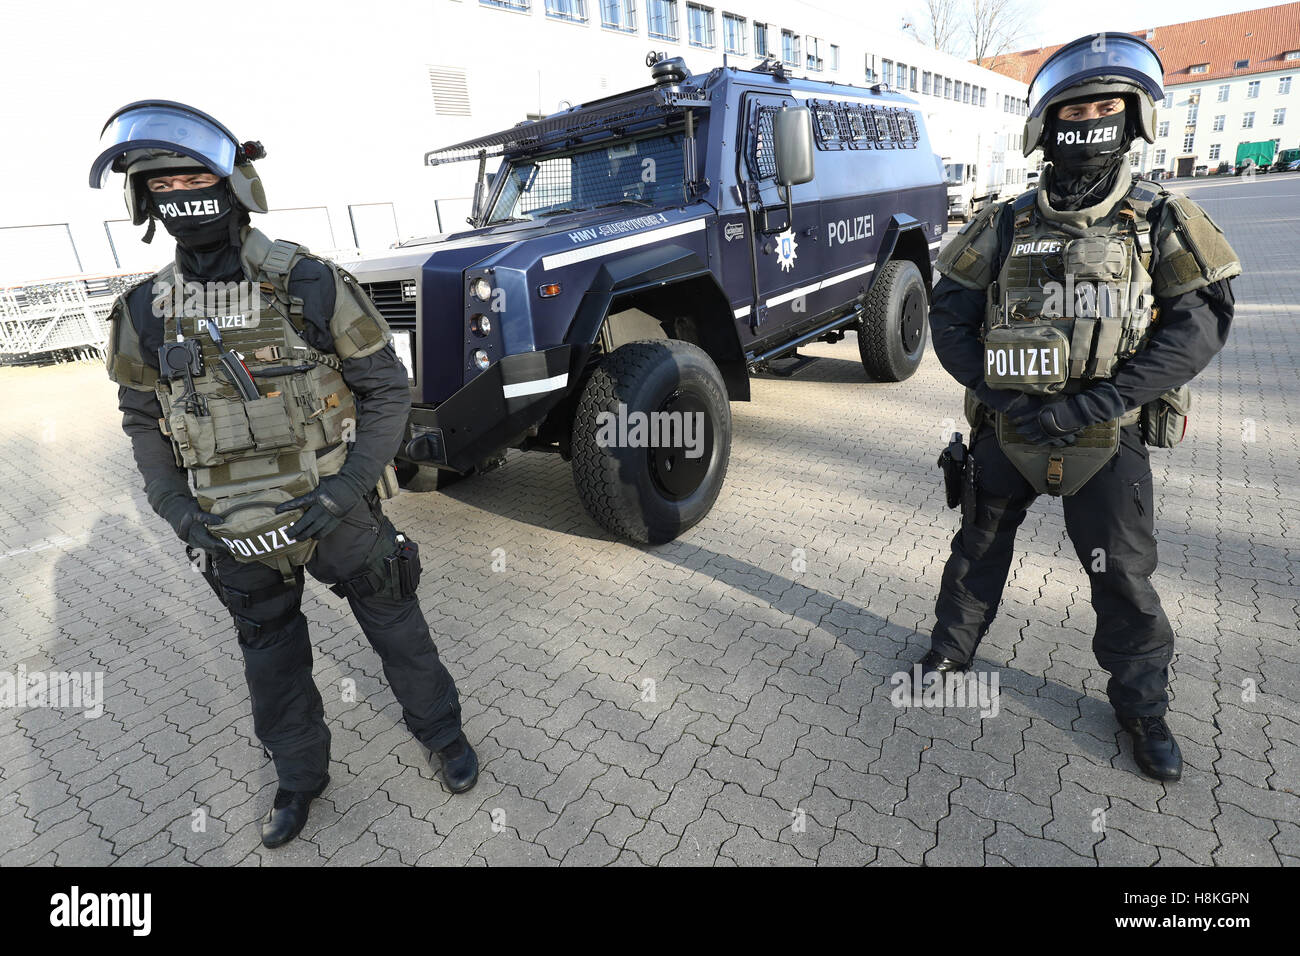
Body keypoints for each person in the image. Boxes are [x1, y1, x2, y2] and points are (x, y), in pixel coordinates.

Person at [90, 101, 479, 847]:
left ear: (234, 184)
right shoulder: (145, 313)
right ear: (145, 200)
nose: (182, 193)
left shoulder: (307, 284)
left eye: (196, 175)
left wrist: (345, 488)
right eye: (163, 181)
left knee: (398, 628)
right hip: (229, 534)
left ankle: (445, 737)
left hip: (335, 516)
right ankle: (300, 781)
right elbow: (141, 418)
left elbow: (387, 389)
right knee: (270, 663)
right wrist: (177, 509)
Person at [924, 35, 1240, 782]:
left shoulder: (1160, 215)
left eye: (1106, 106)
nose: (1091, 119)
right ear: (1047, 122)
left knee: (1123, 575)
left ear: (1132, 118)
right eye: (1076, 107)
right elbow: (948, 315)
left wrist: (1101, 400)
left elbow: (1201, 324)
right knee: (977, 547)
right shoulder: (1002, 221)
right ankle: (950, 648)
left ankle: (1142, 708)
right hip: (1009, 425)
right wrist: (1000, 396)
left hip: (1107, 430)